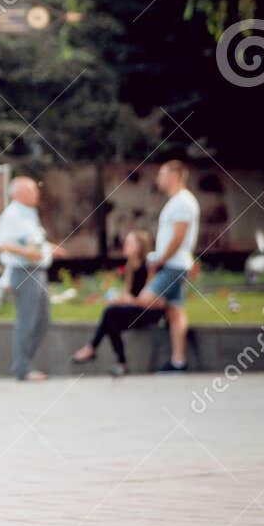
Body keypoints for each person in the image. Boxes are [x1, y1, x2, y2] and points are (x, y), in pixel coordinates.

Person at [0, 175, 65, 382]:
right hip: (24, 272)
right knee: (27, 320)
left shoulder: (28, 213)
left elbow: (33, 241)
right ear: (18, 193)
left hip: (37, 272)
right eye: (31, 190)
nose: (36, 194)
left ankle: (25, 363)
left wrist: (49, 248)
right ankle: (22, 367)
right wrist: (29, 253)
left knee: (42, 320)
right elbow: (2, 244)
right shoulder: (13, 214)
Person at [136, 160, 200, 372]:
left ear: (175, 176)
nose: (159, 178)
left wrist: (161, 260)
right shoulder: (176, 201)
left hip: (174, 264)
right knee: (176, 311)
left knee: (146, 298)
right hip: (175, 263)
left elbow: (179, 236)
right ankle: (178, 361)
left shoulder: (183, 201)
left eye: (162, 174)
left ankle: (159, 318)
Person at [72, 229, 158, 376]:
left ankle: (94, 349)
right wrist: (119, 299)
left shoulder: (149, 266)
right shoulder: (130, 266)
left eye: (130, 243)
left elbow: (150, 298)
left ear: (139, 246)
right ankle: (119, 362)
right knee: (111, 319)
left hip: (149, 311)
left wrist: (128, 300)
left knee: (110, 313)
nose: (125, 245)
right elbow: (128, 292)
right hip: (135, 309)